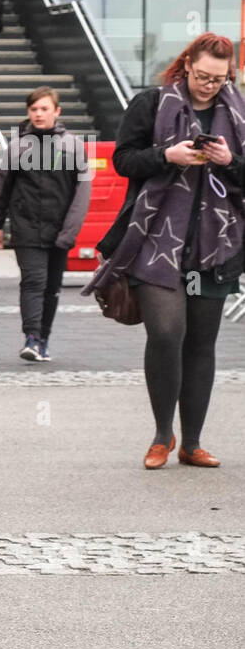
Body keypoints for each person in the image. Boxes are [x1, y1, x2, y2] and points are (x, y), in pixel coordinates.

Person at [84, 34, 245, 469]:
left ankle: (192, 442)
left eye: (218, 79)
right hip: (155, 240)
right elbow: (123, 160)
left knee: (201, 344)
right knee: (167, 335)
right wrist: (167, 155)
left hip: (216, 244)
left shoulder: (239, 112)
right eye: (201, 76)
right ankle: (161, 436)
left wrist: (229, 161)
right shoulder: (152, 103)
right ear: (187, 64)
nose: (208, 85)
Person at [0, 87, 91, 361]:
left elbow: (82, 193)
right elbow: (3, 187)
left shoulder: (73, 146)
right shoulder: (18, 146)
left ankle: (43, 337)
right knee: (34, 282)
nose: (38, 114)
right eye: (33, 109)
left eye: (44, 109)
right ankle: (32, 337)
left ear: (57, 112)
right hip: (26, 227)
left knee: (52, 287)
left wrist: (69, 232)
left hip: (60, 229)